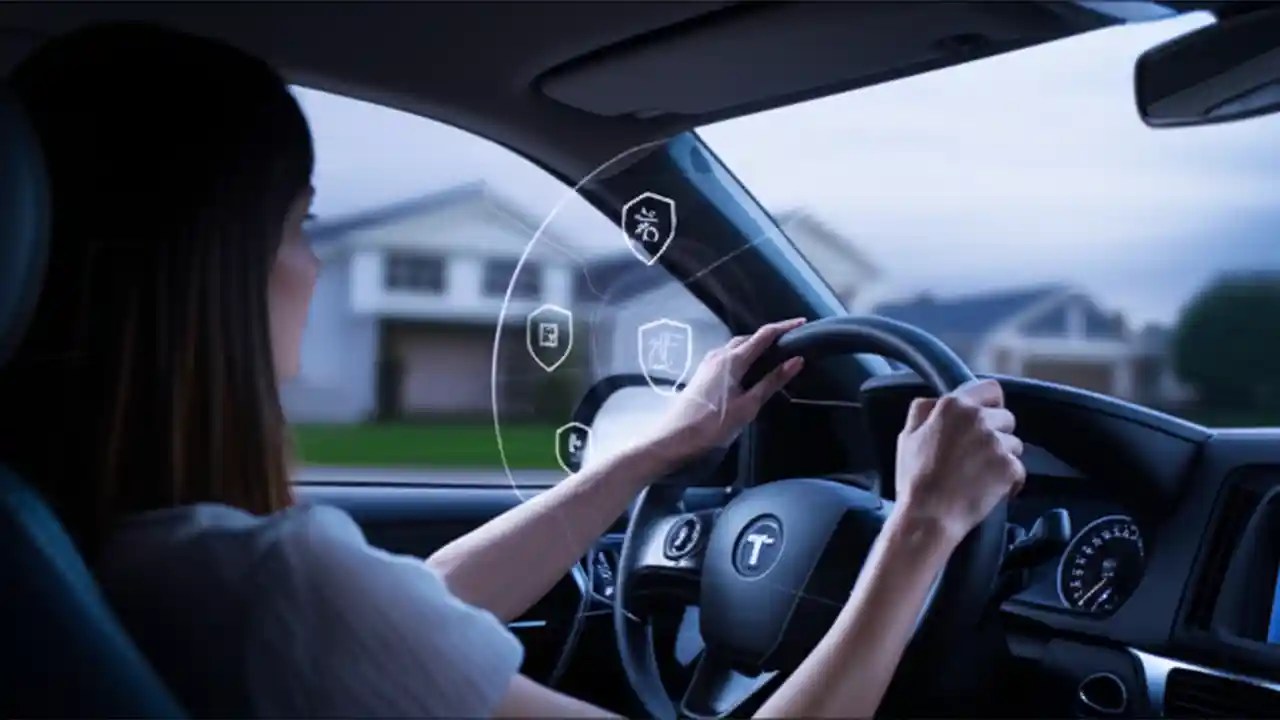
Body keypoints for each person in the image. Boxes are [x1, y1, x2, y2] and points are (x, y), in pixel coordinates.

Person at [0, 24, 1025, 719]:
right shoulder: (265, 584)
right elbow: (347, 618)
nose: (314, 267)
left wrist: (650, 455)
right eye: (298, 225)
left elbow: (404, 616)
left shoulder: (74, 542)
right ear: (203, 267)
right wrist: (924, 525)